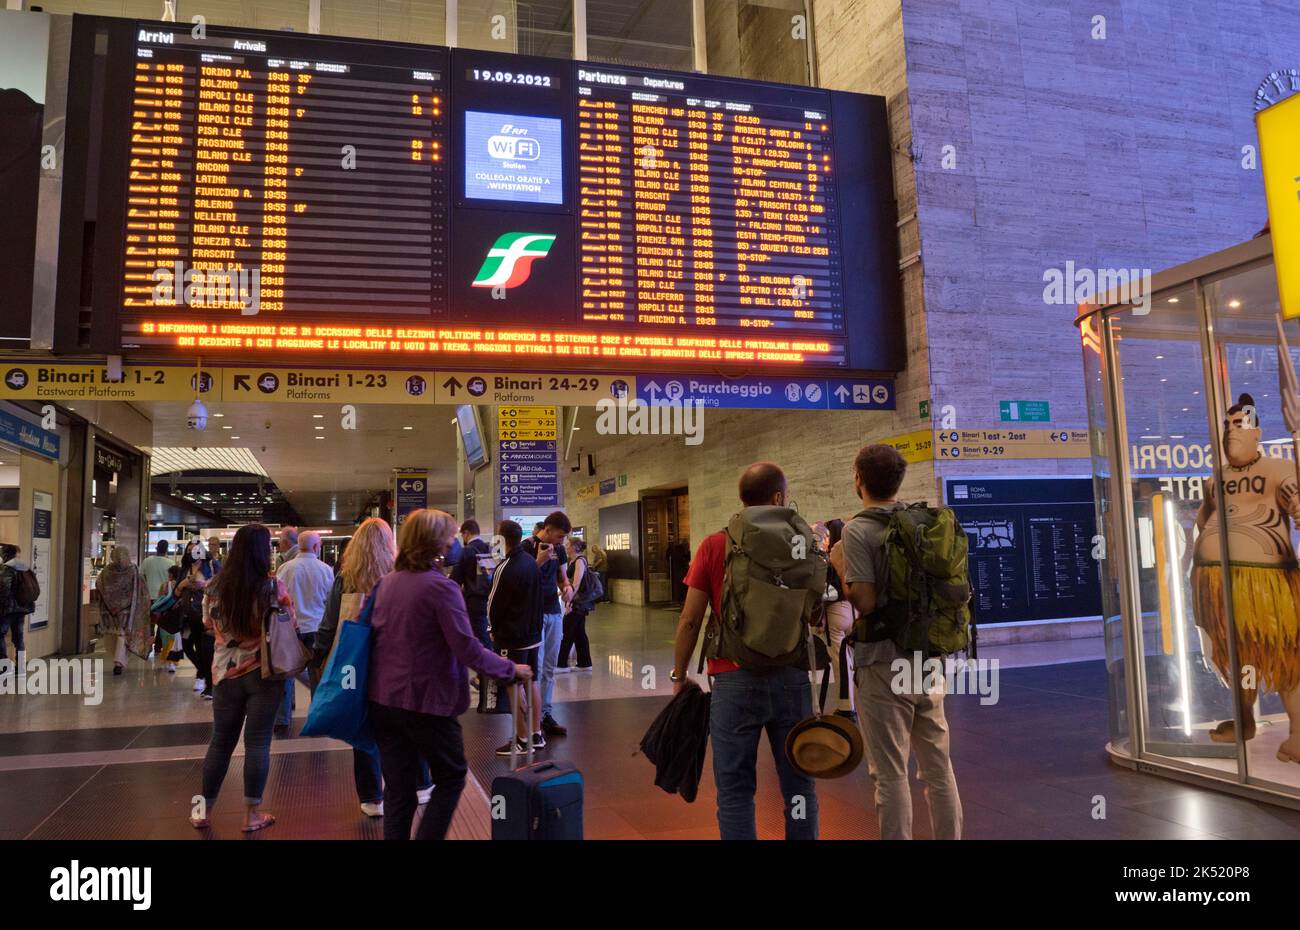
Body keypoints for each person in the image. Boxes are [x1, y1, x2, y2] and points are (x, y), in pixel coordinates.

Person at [671, 462, 819, 840]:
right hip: (792, 676)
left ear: (741, 499)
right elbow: (816, 608)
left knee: (735, 791)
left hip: (733, 679)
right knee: (799, 786)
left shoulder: (715, 545)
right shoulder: (802, 542)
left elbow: (689, 620)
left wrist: (678, 674)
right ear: (778, 497)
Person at [367, 509, 530, 840]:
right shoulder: (440, 588)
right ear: (434, 543)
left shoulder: (385, 584)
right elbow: (467, 648)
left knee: (399, 791)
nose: (454, 542)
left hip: (384, 700)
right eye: (449, 536)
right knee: (452, 775)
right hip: (426, 701)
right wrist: (510, 668)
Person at [831, 443, 962, 841]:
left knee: (889, 774)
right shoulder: (921, 522)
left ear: (858, 479)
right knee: (938, 768)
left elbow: (865, 601)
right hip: (927, 659)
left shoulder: (858, 529)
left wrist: (839, 564)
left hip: (883, 662)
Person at [312, 517, 433, 817]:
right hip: (397, 660)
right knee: (408, 719)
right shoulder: (401, 573)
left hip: (357, 660)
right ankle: (420, 784)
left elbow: (329, 625)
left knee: (363, 723)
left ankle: (371, 798)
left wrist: (318, 655)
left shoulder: (346, 577)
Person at [190, 523, 294, 833]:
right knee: (258, 744)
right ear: (265, 551)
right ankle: (251, 816)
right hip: (264, 673)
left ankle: (202, 811)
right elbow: (292, 623)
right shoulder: (273, 587)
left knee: (220, 743)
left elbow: (208, 623)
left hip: (225, 672)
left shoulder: (215, 587)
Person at [487, 520, 545, 755]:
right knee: (532, 682)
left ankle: (521, 739)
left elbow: (493, 604)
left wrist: (492, 629)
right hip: (532, 634)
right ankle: (535, 733)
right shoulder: (531, 562)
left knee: (512, 684)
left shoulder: (506, 567)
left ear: (501, 539)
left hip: (511, 637)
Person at [275, 530, 334, 735]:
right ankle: (317, 717)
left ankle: (282, 719)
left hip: (291, 629)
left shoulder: (285, 568)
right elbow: (331, 602)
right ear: (317, 547)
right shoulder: (326, 570)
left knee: (287, 673)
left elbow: (276, 597)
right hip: (317, 628)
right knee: (317, 674)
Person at [521, 511, 573, 739]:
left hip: (553, 610)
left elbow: (562, 577)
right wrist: (538, 561)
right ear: (548, 530)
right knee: (538, 666)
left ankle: (545, 714)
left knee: (550, 668)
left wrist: (568, 587)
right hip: (533, 613)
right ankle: (532, 717)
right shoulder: (526, 547)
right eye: (559, 536)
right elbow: (519, 577)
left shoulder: (559, 550)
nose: (562, 541)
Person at [822, 518, 856, 719]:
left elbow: (827, 593)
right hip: (854, 611)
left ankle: (846, 707)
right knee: (852, 661)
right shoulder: (851, 554)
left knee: (840, 662)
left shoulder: (829, 558)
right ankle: (857, 704)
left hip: (835, 613)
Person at [95, 547, 149, 675]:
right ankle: (119, 662)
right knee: (122, 635)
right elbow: (141, 589)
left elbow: (99, 585)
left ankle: (117, 660)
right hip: (127, 611)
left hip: (110, 611)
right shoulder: (133, 571)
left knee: (113, 634)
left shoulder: (106, 571)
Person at [176, 540, 216, 698]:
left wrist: (204, 584)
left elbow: (221, 585)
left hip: (203, 615)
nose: (193, 553)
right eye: (189, 550)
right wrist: (183, 584)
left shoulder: (211, 566)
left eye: (196, 550)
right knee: (186, 645)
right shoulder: (184, 569)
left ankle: (209, 684)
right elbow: (176, 592)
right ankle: (204, 674)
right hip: (187, 617)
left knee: (204, 649)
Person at [449, 519, 493, 651]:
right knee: (486, 631)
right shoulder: (489, 548)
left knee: (478, 634)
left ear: (466, 533)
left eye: (462, 535)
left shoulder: (466, 551)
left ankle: (488, 666)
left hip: (473, 599)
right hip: (490, 597)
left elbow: (454, 580)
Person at [557, 537, 594, 672]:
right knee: (579, 633)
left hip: (577, 603)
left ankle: (561, 664)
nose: (566, 546)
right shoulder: (573, 560)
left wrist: (569, 601)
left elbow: (576, 583)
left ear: (574, 547)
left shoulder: (579, 561)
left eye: (568, 544)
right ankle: (585, 663)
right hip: (578, 602)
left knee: (567, 631)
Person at [141, 539, 176, 665]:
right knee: (162, 624)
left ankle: (149, 647)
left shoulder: (147, 561)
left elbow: (141, 577)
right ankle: (158, 648)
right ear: (167, 549)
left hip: (149, 597)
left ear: (156, 548)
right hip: (164, 599)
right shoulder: (170, 563)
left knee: (149, 624)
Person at [0, 544, 35, 662]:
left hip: (9, 609)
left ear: (6, 554)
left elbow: (4, 589)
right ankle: (20, 667)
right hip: (22, 608)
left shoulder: (7, 568)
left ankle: (4, 666)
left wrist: (3, 604)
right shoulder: (25, 568)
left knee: (1, 634)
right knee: (19, 638)